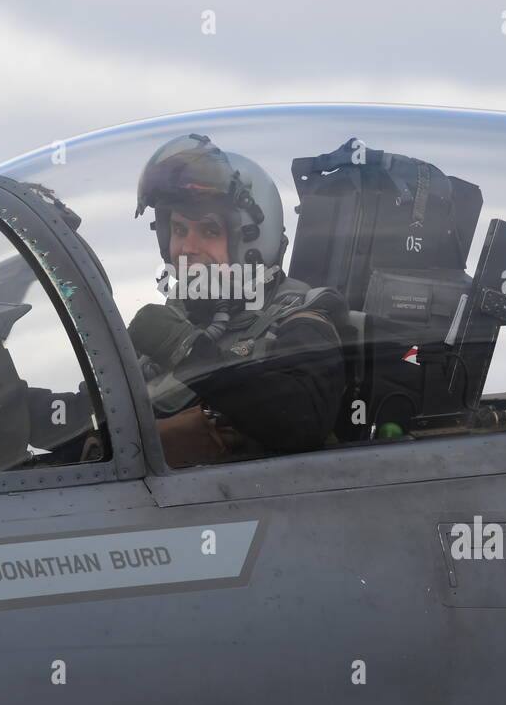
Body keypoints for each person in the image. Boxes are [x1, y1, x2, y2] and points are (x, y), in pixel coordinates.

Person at [127, 133, 347, 465]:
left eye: (210, 231)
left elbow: (302, 422)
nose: (187, 248)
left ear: (252, 241)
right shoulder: (173, 322)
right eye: (179, 230)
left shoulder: (301, 321)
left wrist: (188, 351)